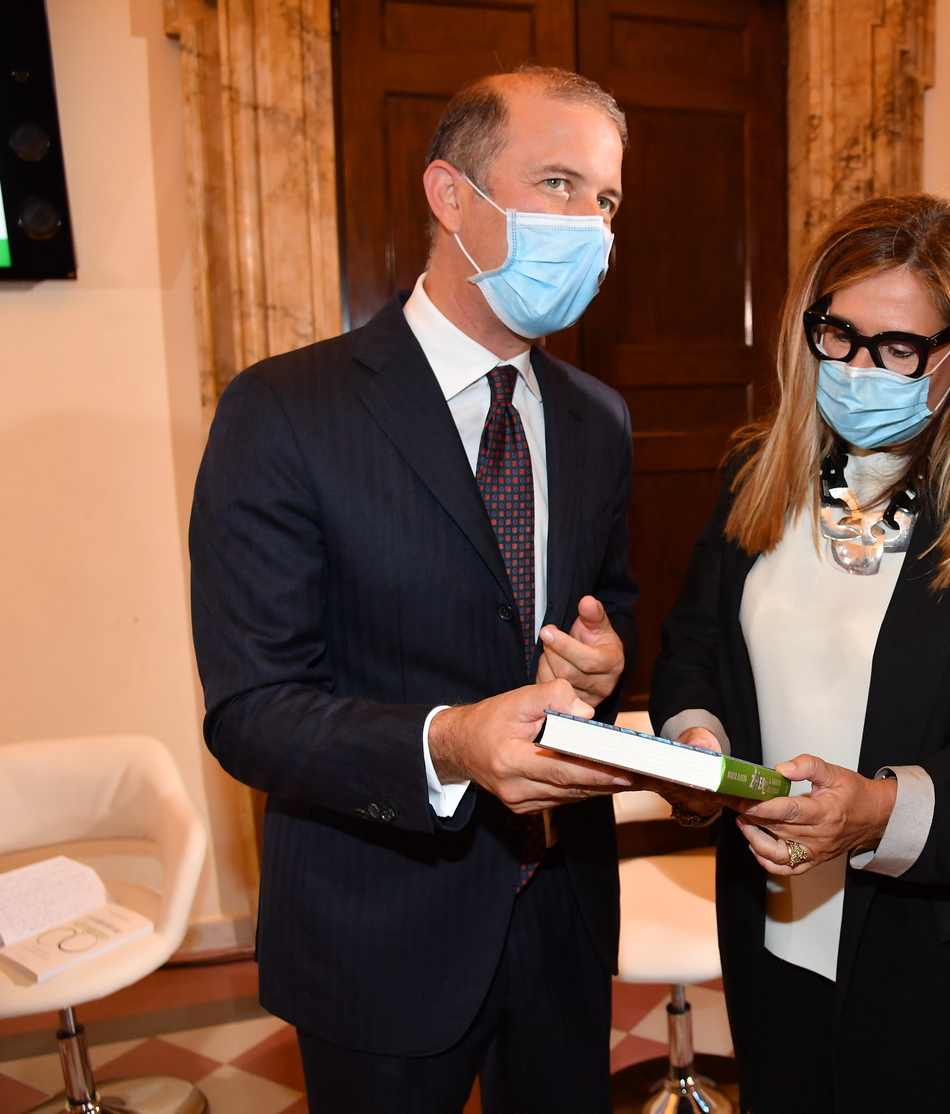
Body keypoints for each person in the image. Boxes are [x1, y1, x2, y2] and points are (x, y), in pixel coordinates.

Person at [189, 68, 639, 1113]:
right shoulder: (282, 411)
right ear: (450, 195)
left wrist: (607, 663)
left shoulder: (595, 417)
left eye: (607, 200)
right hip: (376, 923)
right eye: (560, 183)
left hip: (561, 913)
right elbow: (252, 709)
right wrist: (449, 742)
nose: (591, 225)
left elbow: (605, 609)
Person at [648, 193, 950, 1112]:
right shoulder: (754, 476)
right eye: (837, 335)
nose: (856, 368)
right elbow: (694, 644)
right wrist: (697, 741)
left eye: (897, 348)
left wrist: (879, 811)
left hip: (936, 943)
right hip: (774, 917)